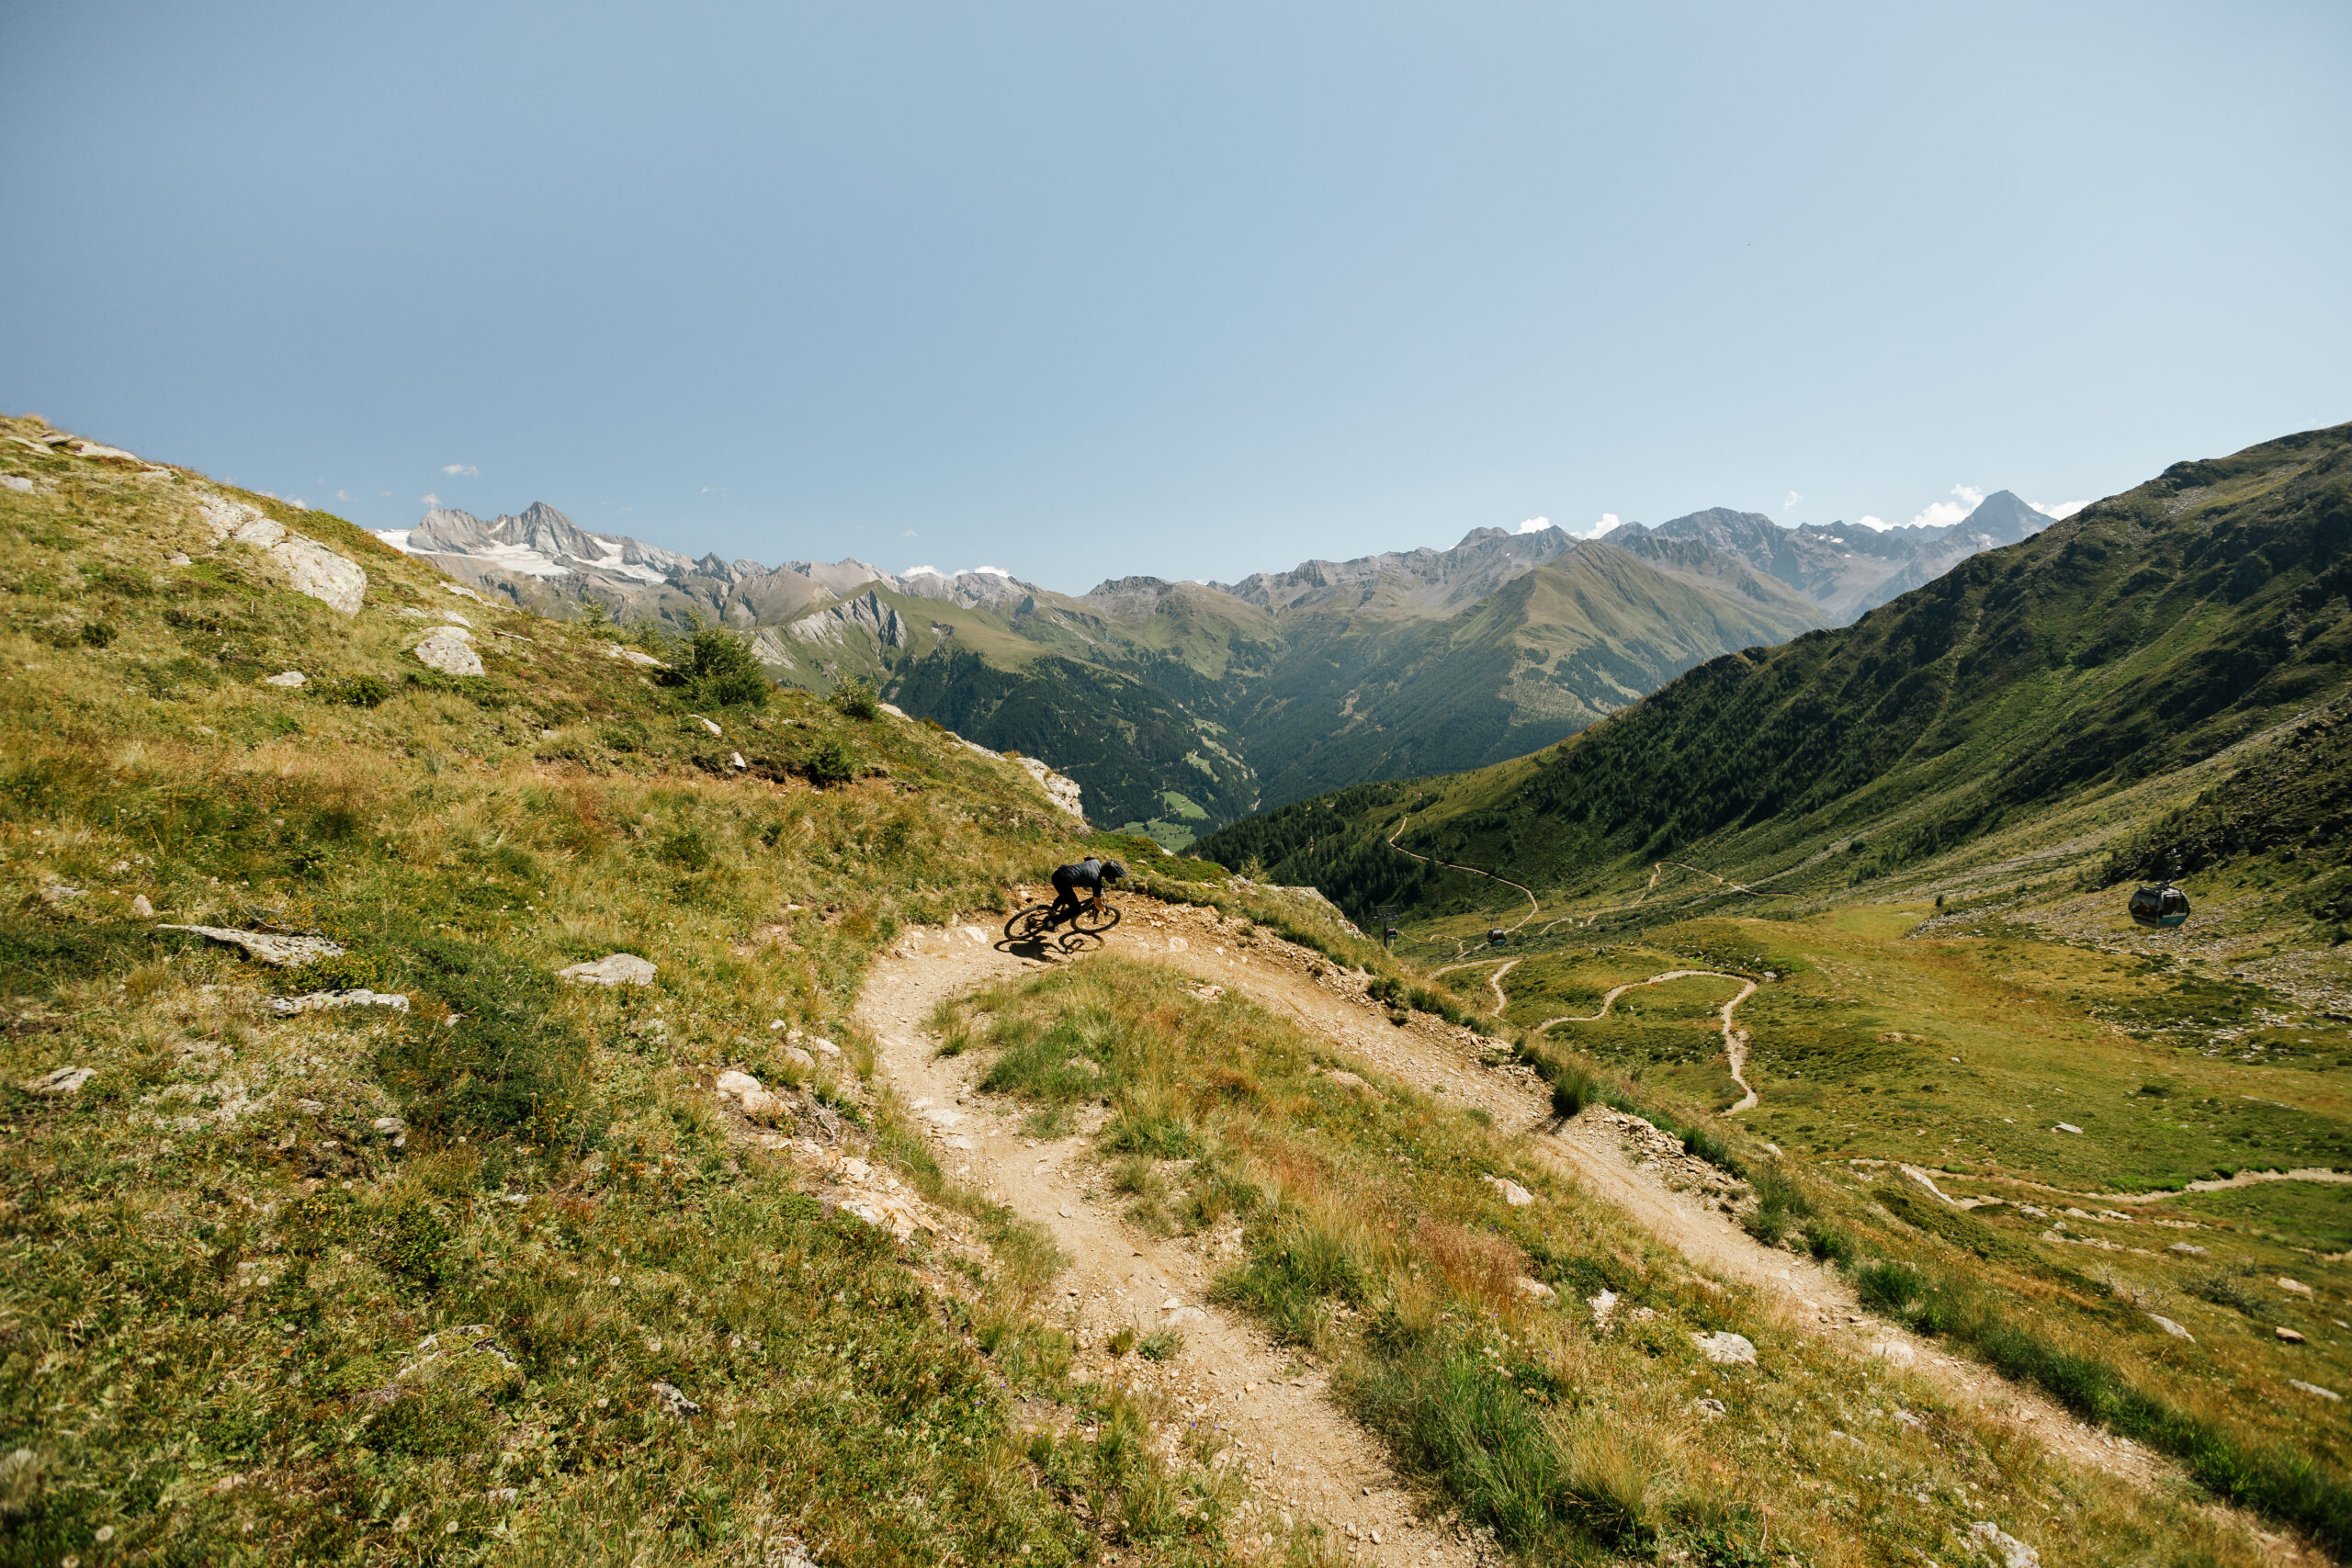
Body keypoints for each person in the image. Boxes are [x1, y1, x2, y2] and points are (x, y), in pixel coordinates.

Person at [1046, 856, 1125, 927]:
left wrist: (1084, 872)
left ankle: (1051, 912)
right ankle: (1050, 924)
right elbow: (1098, 904)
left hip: (1058, 873)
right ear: (1110, 875)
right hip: (1063, 881)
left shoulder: (1095, 861)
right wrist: (1105, 911)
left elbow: (1085, 858)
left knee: (1065, 895)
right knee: (1076, 909)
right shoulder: (1096, 882)